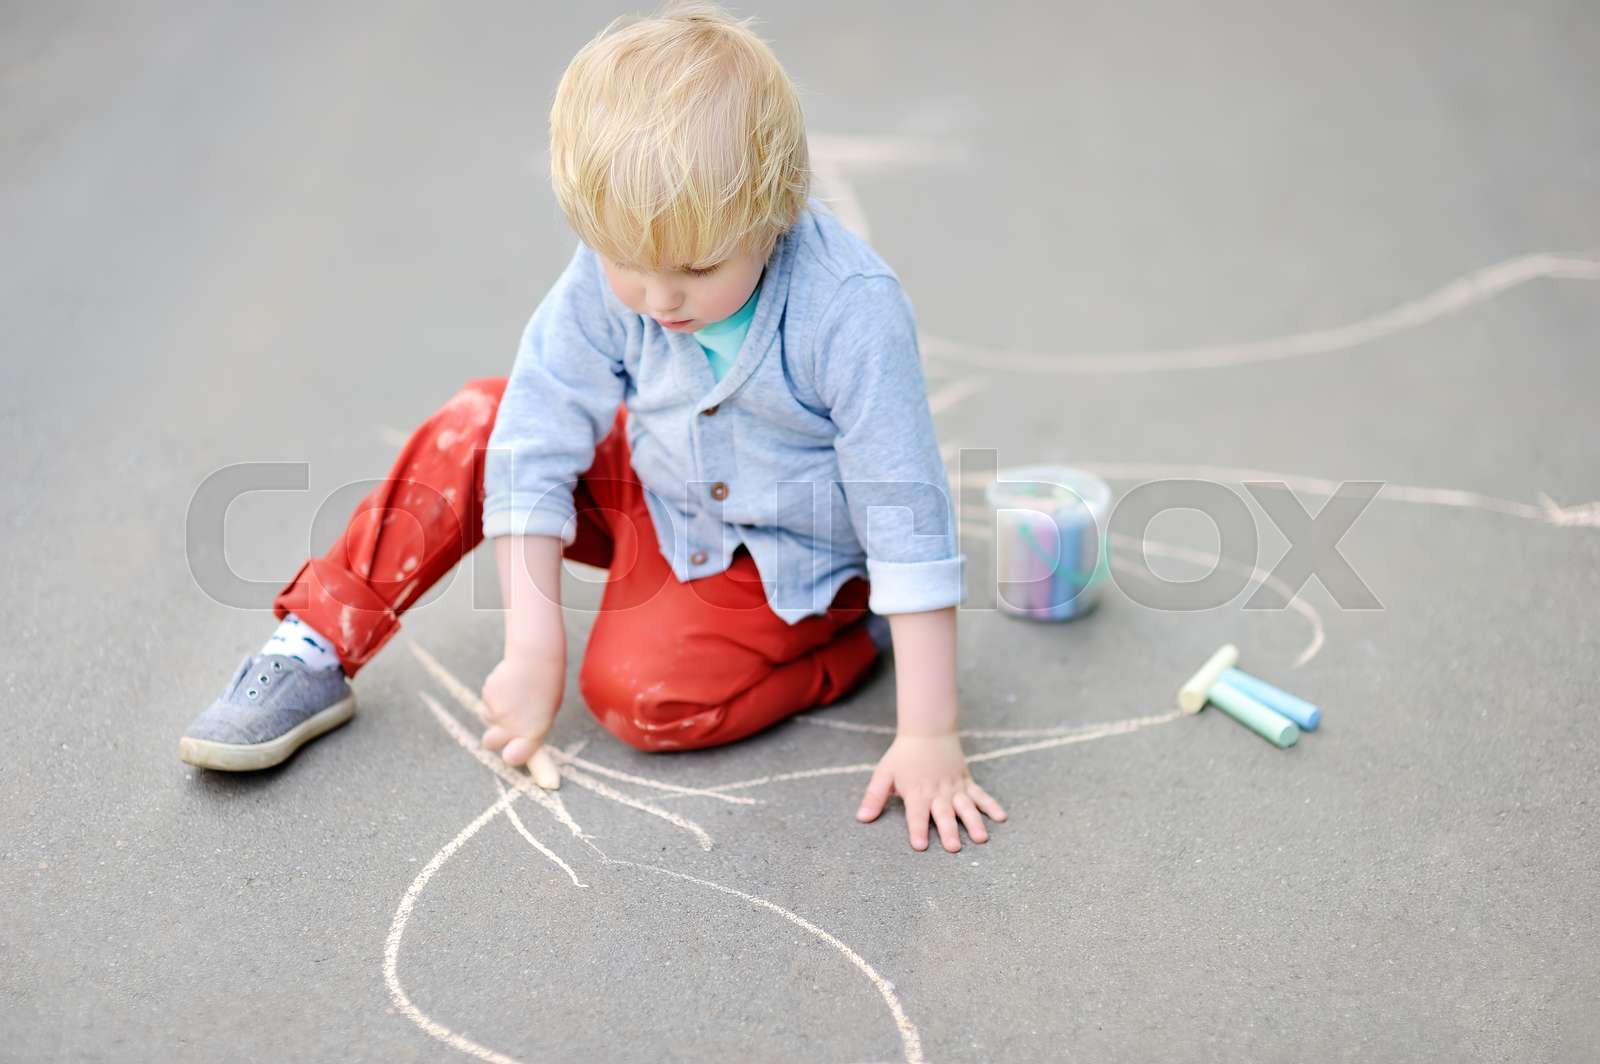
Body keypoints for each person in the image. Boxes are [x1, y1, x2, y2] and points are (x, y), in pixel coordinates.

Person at [180, 2, 1007, 853]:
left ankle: (843, 640)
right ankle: (317, 644)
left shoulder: (850, 311)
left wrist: (929, 733)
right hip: (661, 484)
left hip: (781, 556)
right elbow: (536, 436)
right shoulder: (630, 257)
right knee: (481, 421)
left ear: (779, 210)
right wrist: (533, 644)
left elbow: (905, 517)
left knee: (640, 699)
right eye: (628, 266)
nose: (658, 299)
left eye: (696, 269)